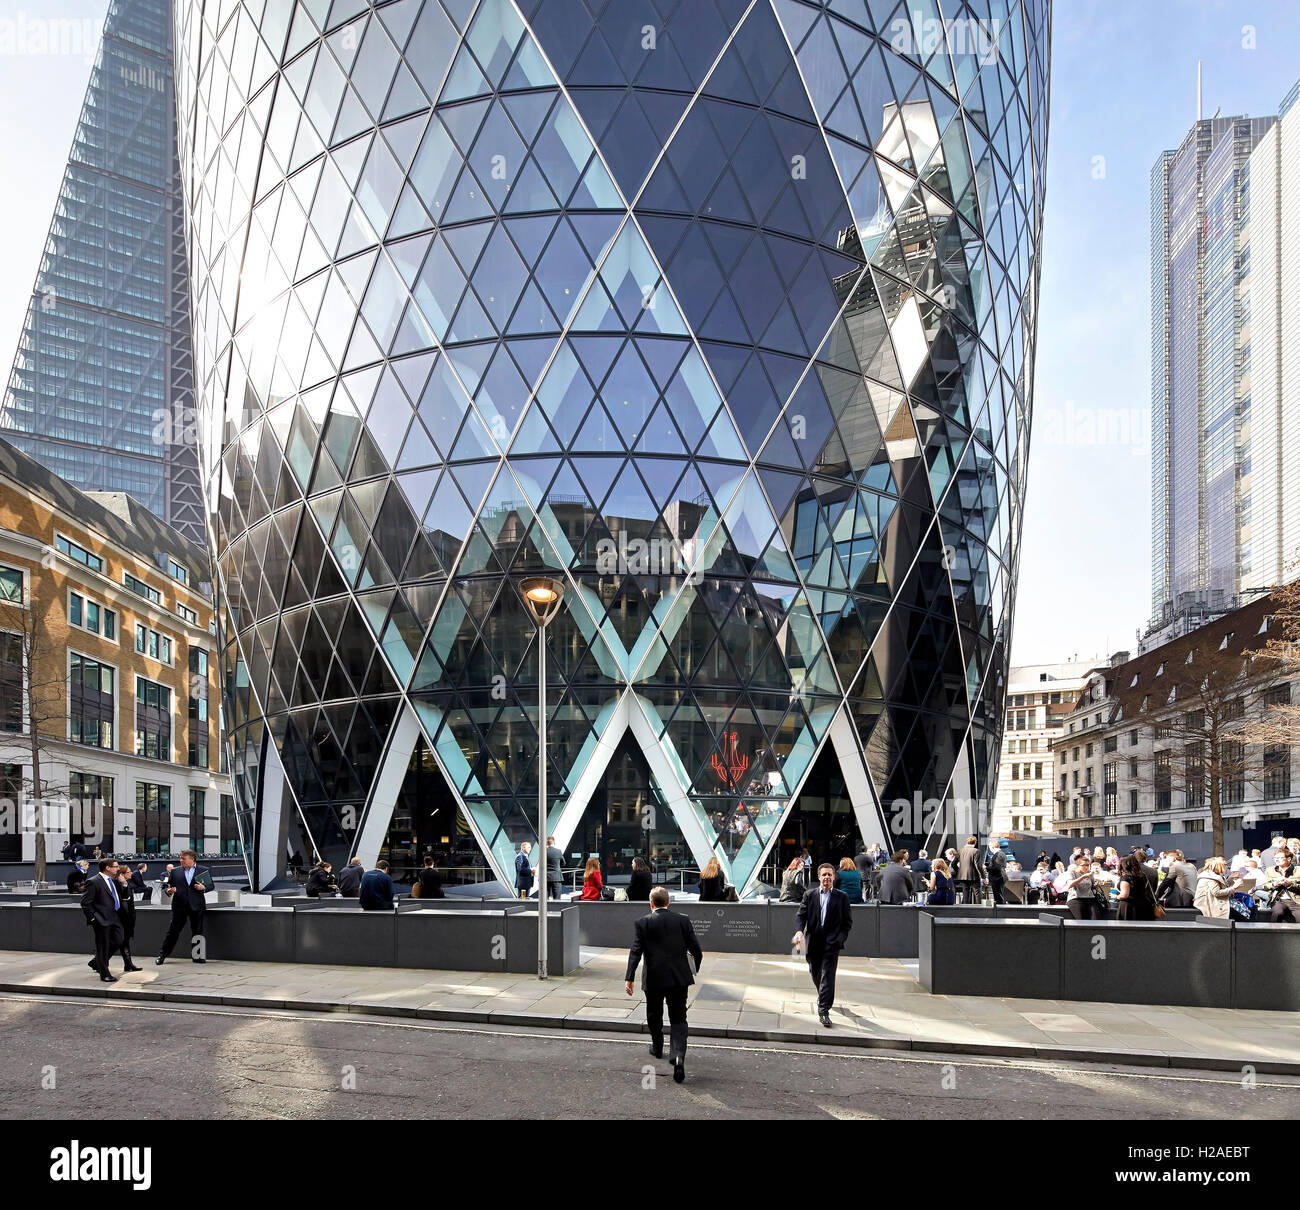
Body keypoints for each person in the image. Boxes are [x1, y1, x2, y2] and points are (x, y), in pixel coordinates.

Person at [624, 886, 703, 1084]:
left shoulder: (643, 922)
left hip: (654, 978)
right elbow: (696, 949)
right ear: (669, 902)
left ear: (651, 903)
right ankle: (677, 1057)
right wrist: (695, 968)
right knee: (678, 1018)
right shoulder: (683, 920)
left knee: (654, 1013)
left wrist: (629, 977)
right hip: (678, 978)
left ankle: (657, 1047)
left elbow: (635, 952)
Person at [793, 864, 853, 1027]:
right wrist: (799, 931)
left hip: (832, 943)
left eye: (829, 875)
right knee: (815, 972)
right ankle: (824, 995)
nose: (826, 877)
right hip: (812, 942)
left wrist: (840, 939)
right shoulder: (809, 895)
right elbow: (801, 916)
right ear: (819, 877)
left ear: (833, 877)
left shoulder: (842, 897)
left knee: (828, 976)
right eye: (824, 875)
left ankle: (823, 1010)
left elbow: (847, 923)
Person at [156, 849, 212, 964]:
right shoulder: (175, 871)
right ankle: (162, 955)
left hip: (196, 906)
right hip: (179, 907)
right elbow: (167, 887)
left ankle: (198, 957)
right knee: (173, 931)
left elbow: (211, 885)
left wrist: (204, 888)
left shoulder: (203, 870)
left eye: (183, 858)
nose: (180, 860)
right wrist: (169, 890)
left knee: (198, 931)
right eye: (180, 858)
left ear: (192, 859)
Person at [81, 858, 125, 982]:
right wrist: (94, 919)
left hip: (115, 917)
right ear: (108, 868)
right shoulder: (93, 882)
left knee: (119, 940)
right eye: (116, 866)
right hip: (101, 920)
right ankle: (104, 973)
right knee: (102, 947)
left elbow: (119, 896)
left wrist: (124, 884)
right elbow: (85, 903)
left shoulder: (114, 881)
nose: (118, 868)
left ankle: (97, 962)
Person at [112, 864, 143, 972]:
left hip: (128, 918)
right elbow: (123, 900)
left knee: (125, 942)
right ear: (122, 874)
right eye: (128, 872)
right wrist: (124, 883)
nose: (131, 874)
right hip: (122, 918)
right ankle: (97, 961)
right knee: (119, 942)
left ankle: (128, 964)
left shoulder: (126, 883)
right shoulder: (118, 884)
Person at [1115, 854, 1156, 921]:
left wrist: (1116, 897)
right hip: (1144, 905)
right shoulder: (1142, 875)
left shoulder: (1126, 877)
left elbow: (1124, 895)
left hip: (1129, 907)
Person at [1263, 850, 1300, 923]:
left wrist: (1289, 884)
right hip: (1279, 900)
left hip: (1296, 900)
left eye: (1280, 858)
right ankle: (1273, 933)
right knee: (1277, 912)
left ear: (1288, 859)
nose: (1276, 860)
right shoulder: (1270, 870)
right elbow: (1265, 886)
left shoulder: (1298, 870)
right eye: (1275, 858)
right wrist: (1274, 884)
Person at [1063, 854, 1101, 920]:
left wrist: (1096, 885)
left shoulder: (1089, 873)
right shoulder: (1072, 872)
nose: (1086, 867)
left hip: (1090, 898)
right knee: (1081, 920)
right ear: (1077, 866)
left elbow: (1092, 886)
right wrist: (1083, 877)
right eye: (1083, 865)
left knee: (1095, 918)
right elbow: (1070, 884)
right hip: (1076, 899)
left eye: (1088, 865)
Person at [955, 835, 982, 904]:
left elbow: (953, 864)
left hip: (962, 876)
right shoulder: (976, 851)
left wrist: (959, 870)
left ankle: (965, 910)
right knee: (977, 893)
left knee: (965, 893)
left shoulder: (960, 850)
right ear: (975, 842)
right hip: (973, 876)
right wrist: (983, 876)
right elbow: (978, 865)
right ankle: (980, 909)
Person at [984, 837, 1008, 905]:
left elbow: (997, 868)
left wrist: (986, 867)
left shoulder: (998, 854)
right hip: (998, 877)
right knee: (998, 896)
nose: (990, 849)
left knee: (998, 897)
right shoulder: (1000, 854)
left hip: (998, 878)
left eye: (990, 847)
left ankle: (999, 912)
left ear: (993, 847)